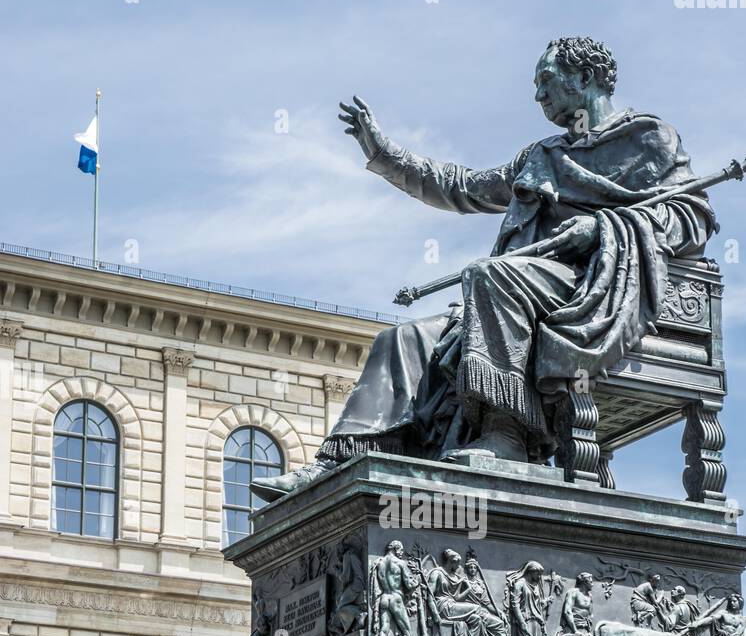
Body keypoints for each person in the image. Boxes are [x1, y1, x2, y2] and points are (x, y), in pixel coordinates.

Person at [257, 35, 714, 497]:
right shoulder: (543, 157)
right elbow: (461, 186)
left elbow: (691, 218)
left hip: (596, 286)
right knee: (405, 338)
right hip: (523, 294)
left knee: (488, 275)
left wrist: (601, 231)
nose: (538, 96)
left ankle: (508, 433)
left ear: (585, 77)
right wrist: (384, 153)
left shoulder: (646, 138)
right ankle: (345, 462)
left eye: (547, 82)